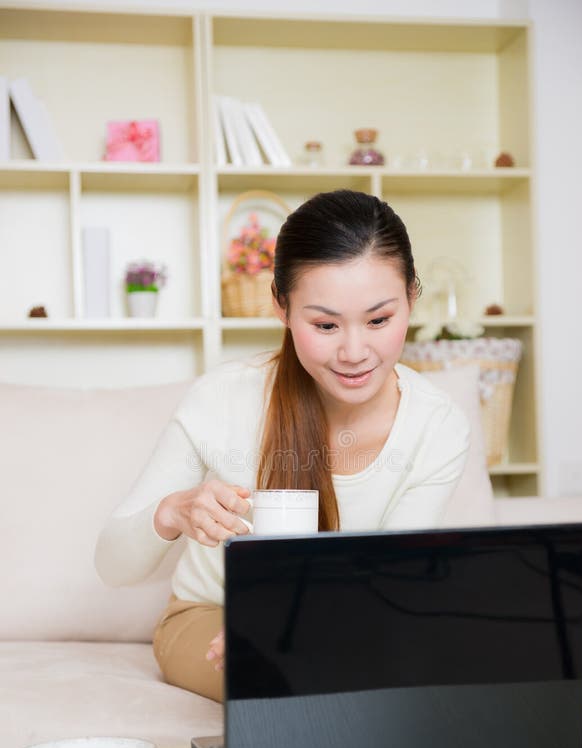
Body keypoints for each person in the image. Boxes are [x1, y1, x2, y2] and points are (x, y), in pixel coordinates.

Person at [95, 189, 470, 704]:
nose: (355, 352)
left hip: (356, 621)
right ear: (281, 306)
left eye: (380, 320)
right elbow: (113, 566)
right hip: (213, 622)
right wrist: (174, 511)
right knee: (288, 673)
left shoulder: (437, 424)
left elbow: (389, 581)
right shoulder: (223, 397)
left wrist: (298, 629)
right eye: (325, 325)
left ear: (411, 297)